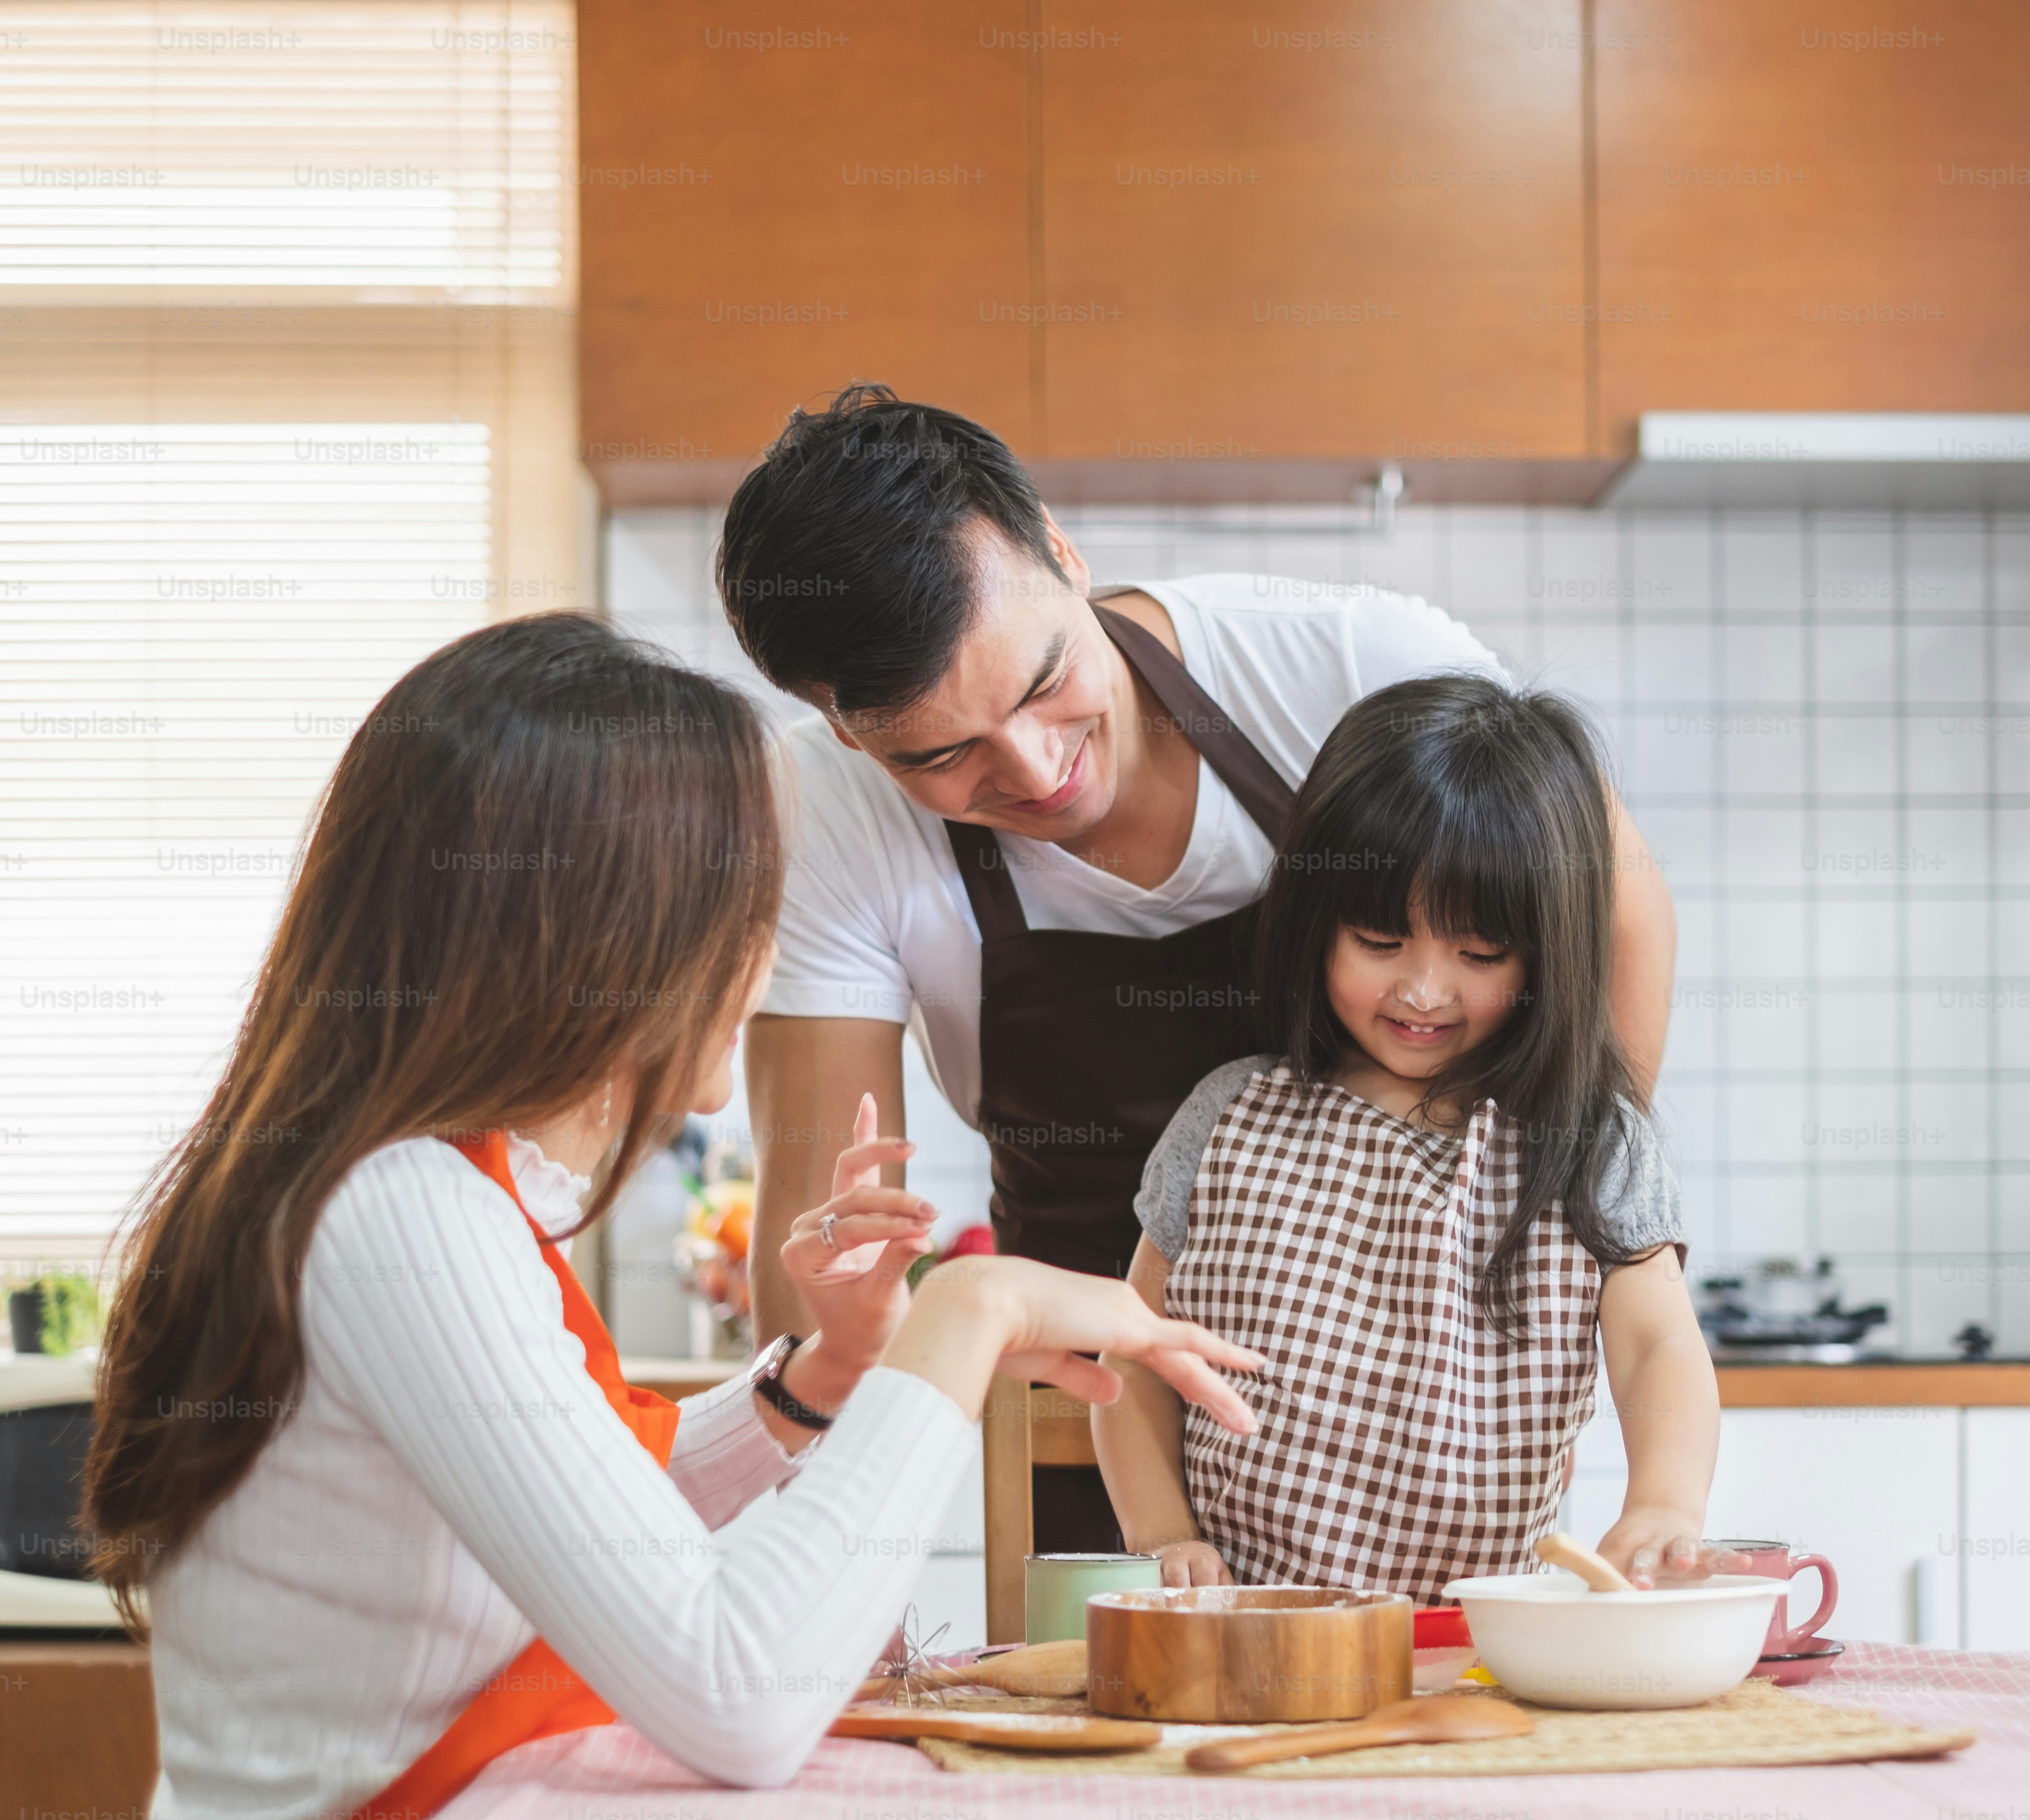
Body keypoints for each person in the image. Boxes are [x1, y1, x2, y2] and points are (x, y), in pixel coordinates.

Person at [83, 614, 1259, 1817]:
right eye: (749, 914)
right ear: (614, 946)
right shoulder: (406, 1218)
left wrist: (819, 1382)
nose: (763, 958)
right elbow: (741, 1691)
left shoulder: (399, 1187)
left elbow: (584, 1521)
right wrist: (968, 1311)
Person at [716, 384, 1679, 1550]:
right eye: (944, 754)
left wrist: (1550, 1212)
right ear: (847, 732)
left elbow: (1614, 908)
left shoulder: (1352, 663)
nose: (1036, 772)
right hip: (1095, 1373)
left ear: (1061, 551)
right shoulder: (823, 807)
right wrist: (810, 1543)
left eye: (1041, 683)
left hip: (1430, 1370)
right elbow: (824, 1222)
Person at [1092, 675, 1726, 1596]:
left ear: (1548, 949)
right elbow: (1139, 1358)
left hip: (1485, 1640)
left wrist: (1666, 1502)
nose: (1425, 991)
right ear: (1316, 926)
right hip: (1255, 1626)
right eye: (1381, 940)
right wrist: (1161, 1532)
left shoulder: (1588, 1142)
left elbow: (1657, 1346)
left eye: (1478, 955)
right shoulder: (1228, 1116)